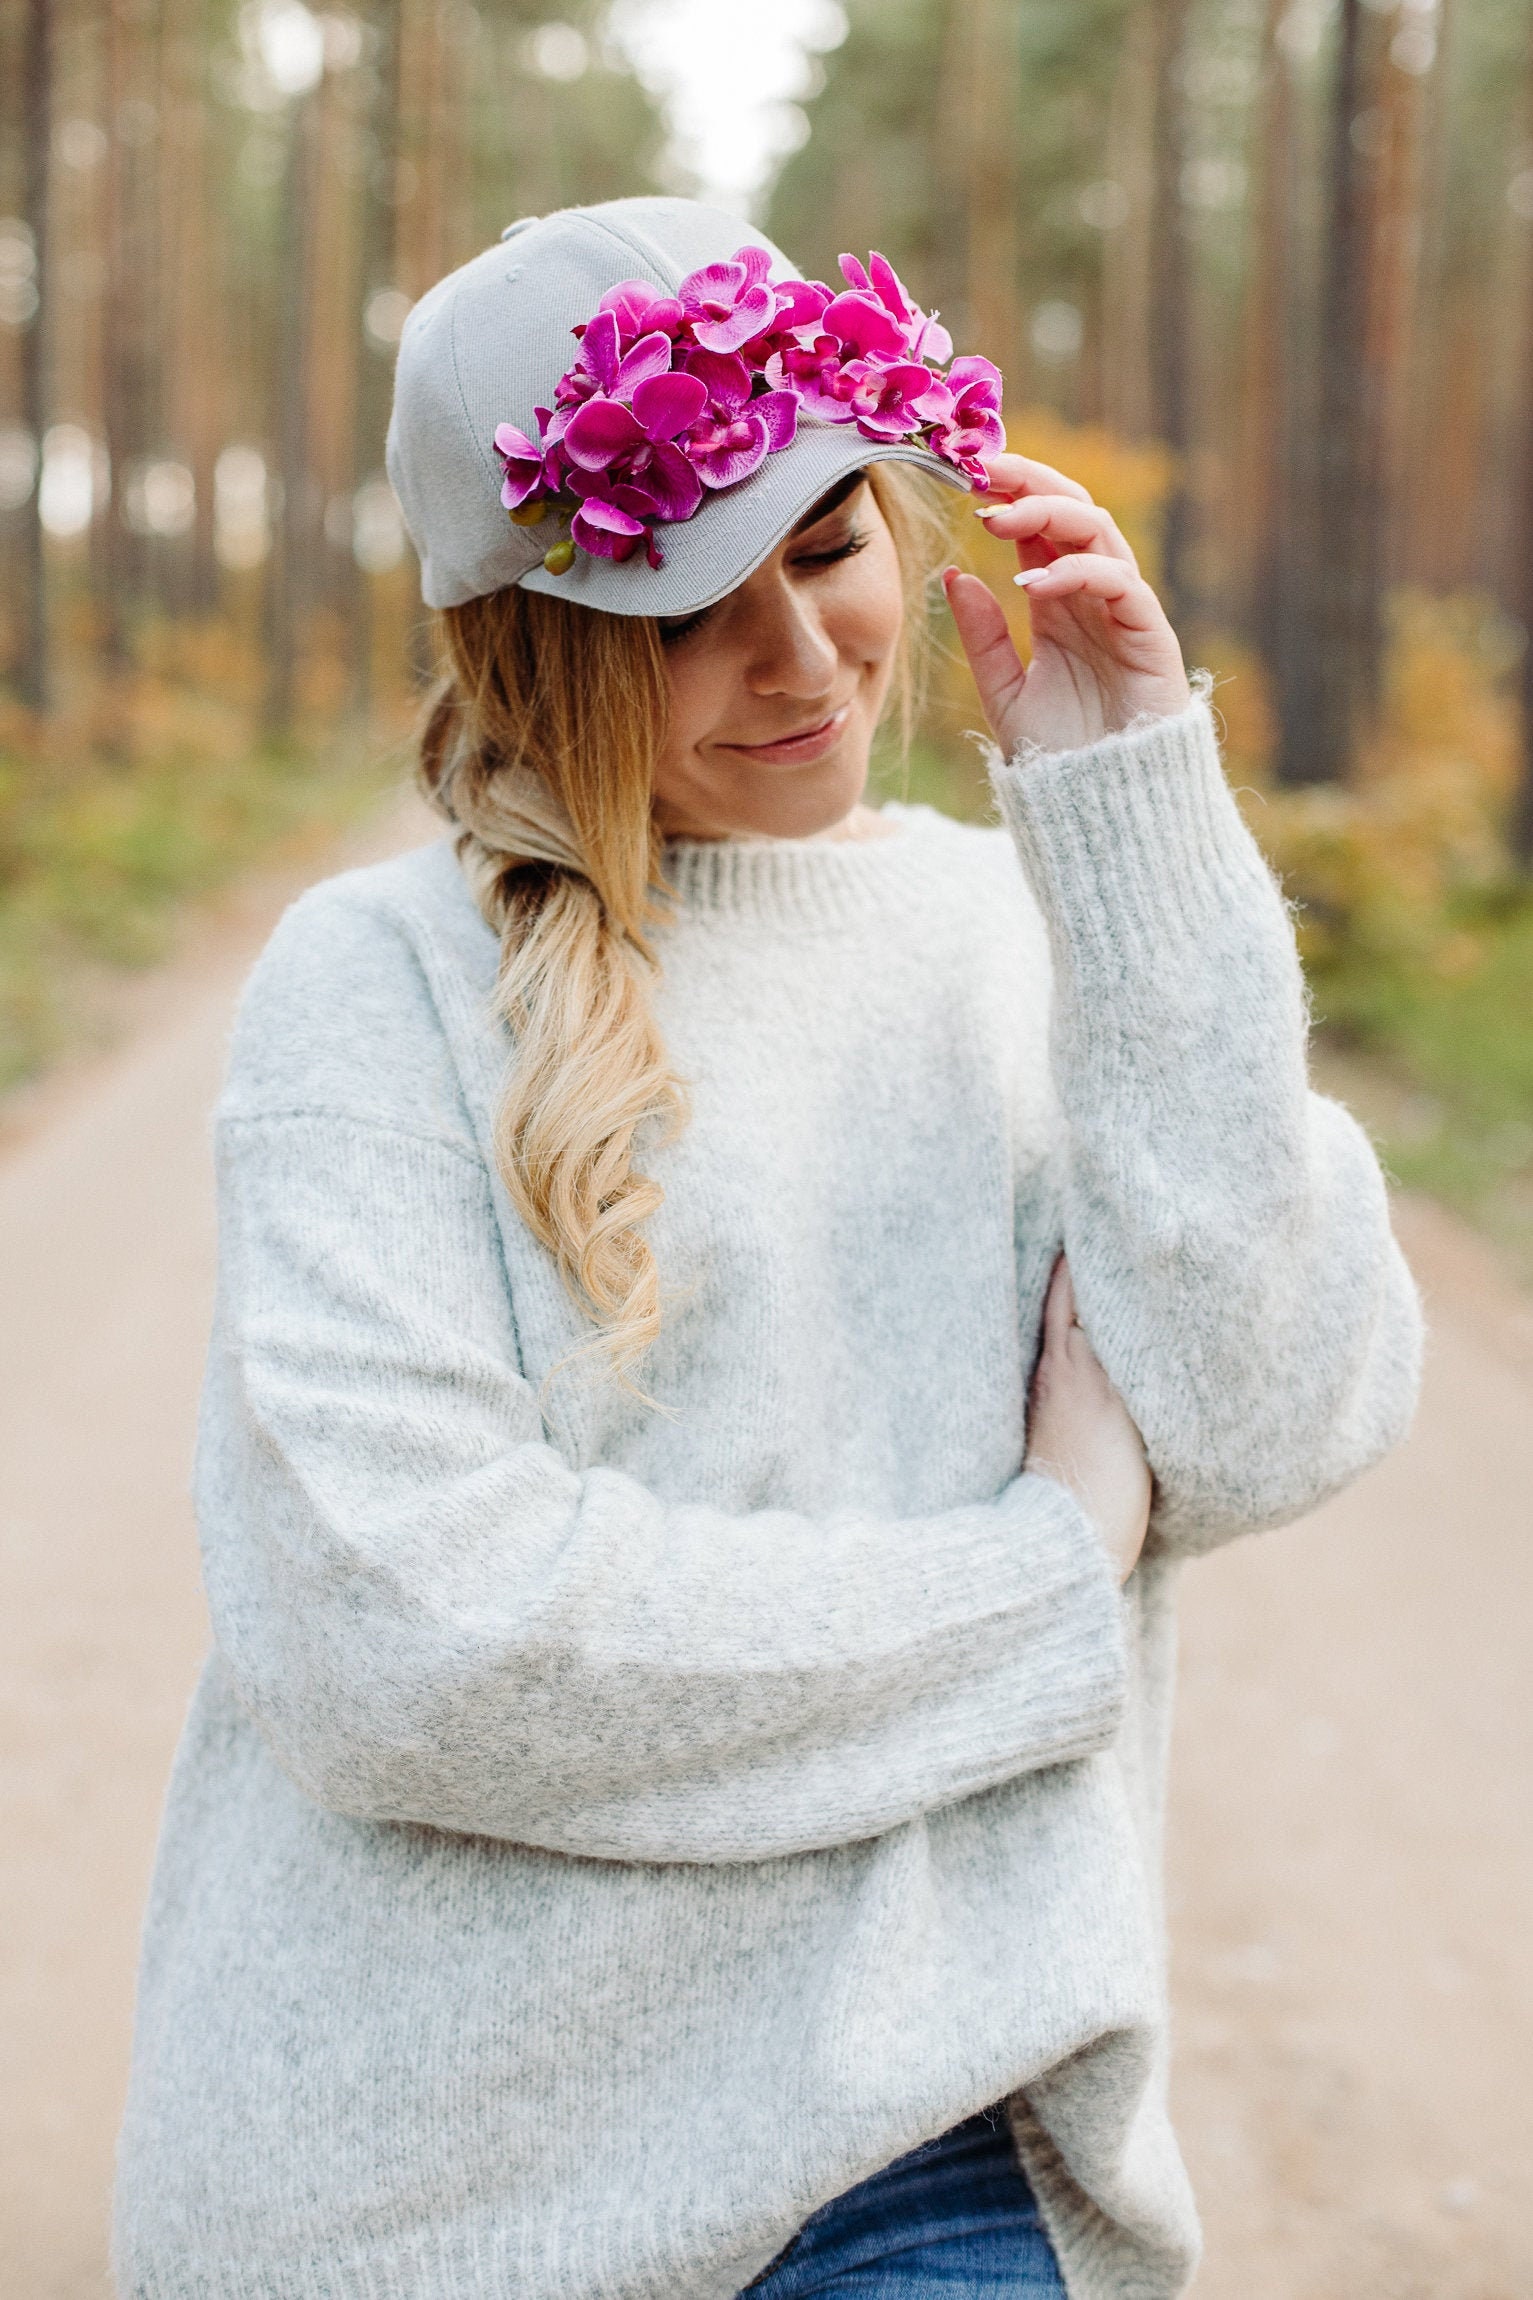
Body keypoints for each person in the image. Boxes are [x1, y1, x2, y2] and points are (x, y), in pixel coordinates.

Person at [113, 199, 1421, 2300]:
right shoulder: (373, 985)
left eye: (826, 547)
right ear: (524, 634)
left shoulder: (1022, 935)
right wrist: (1038, 1571)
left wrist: (1137, 816)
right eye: (685, 603)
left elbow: (1272, 1410)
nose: (801, 658)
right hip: (424, 2187)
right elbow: (410, 1638)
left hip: (925, 2151)